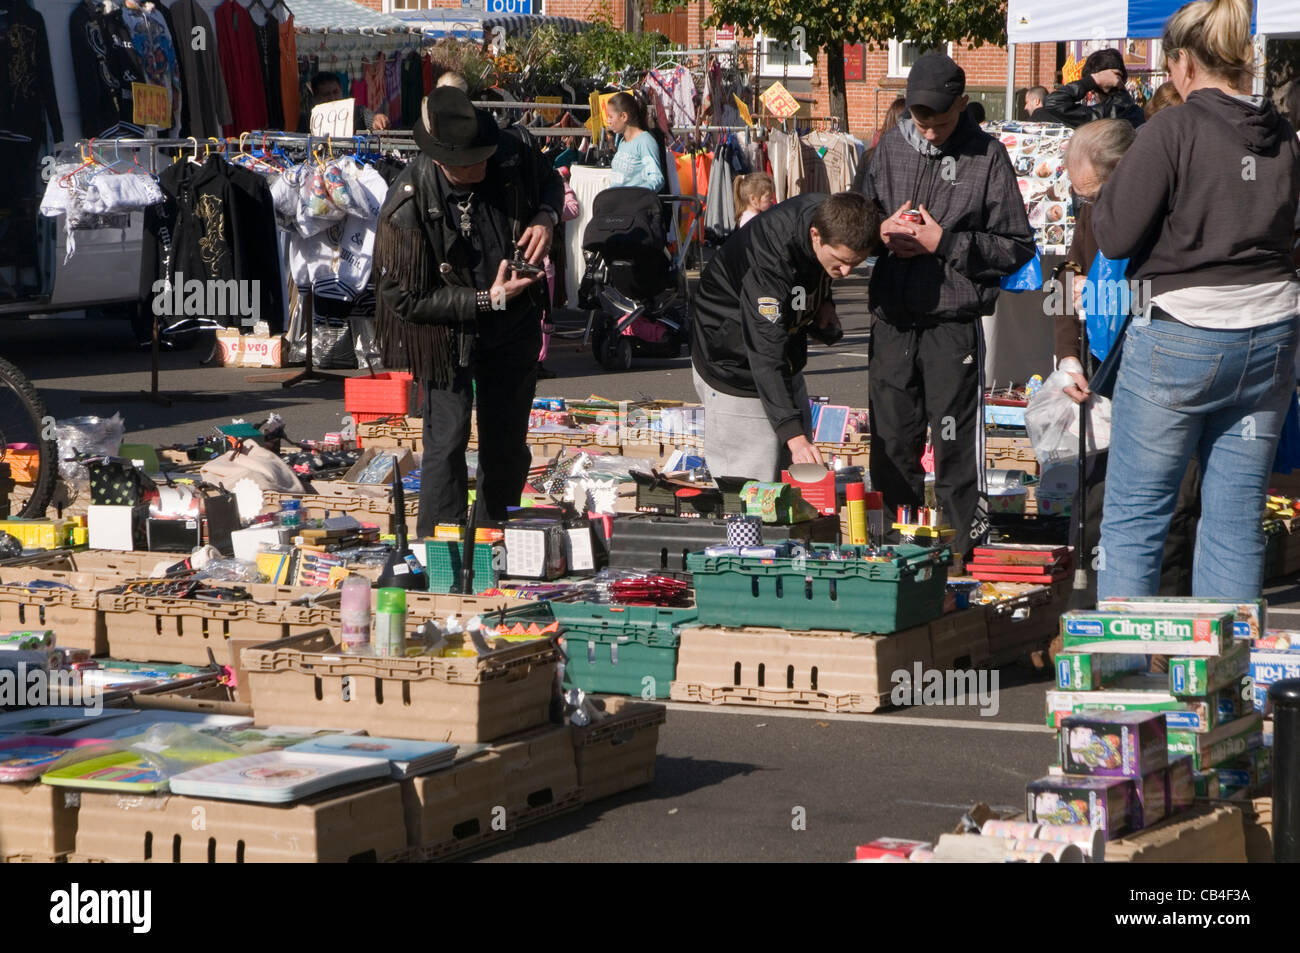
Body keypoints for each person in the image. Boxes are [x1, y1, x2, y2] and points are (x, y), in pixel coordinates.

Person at [1092, 0, 1300, 600]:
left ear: (1183, 63)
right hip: (1272, 333)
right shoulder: (1282, 133)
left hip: (1183, 331)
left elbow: (1115, 235)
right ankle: (1226, 681)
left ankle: (1124, 679)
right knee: (1235, 522)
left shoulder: (1172, 129)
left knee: (1135, 518)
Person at [858, 52, 1035, 557]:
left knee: (955, 447)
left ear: (962, 104)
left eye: (940, 121)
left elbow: (1016, 247)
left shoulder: (988, 156)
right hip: (892, 316)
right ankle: (894, 552)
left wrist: (946, 243)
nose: (930, 132)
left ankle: (959, 556)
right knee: (892, 443)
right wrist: (880, 232)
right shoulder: (888, 148)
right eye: (920, 121)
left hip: (952, 322)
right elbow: (854, 224)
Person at [373, 87, 564, 533]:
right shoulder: (406, 203)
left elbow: (551, 180)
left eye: (485, 155)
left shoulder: (511, 151)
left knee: (507, 444)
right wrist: (485, 299)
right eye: (468, 163)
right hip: (445, 334)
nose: (481, 166)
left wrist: (546, 217)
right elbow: (403, 298)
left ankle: (497, 537)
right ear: (440, 159)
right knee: (447, 440)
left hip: (514, 327)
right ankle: (441, 547)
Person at [691, 192, 880, 479]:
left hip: (783, 358)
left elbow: (813, 270)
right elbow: (765, 352)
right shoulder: (771, 258)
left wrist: (824, 301)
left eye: (856, 264)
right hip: (733, 362)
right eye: (840, 262)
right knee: (751, 488)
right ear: (815, 235)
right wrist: (794, 435)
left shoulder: (830, 215)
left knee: (796, 480)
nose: (846, 271)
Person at [1043, 49, 1145, 128]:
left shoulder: (1100, 116)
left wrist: (1092, 80)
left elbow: (1052, 102)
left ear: (1092, 89)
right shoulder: (1137, 113)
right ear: (1124, 79)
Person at [605, 91, 665, 192]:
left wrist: (635, 196)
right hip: (617, 205)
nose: (608, 121)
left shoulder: (645, 141)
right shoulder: (622, 142)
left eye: (610, 116)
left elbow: (656, 179)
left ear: (624, 116)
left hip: (635, 205)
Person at [310, 72, 389, 132]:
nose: (332, 97)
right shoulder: (309, 120)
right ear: (316, 98)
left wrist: (377, 119)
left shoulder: (358, 111)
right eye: (326, 94)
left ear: (341, 90)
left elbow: (371, 119)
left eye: (335, 92)